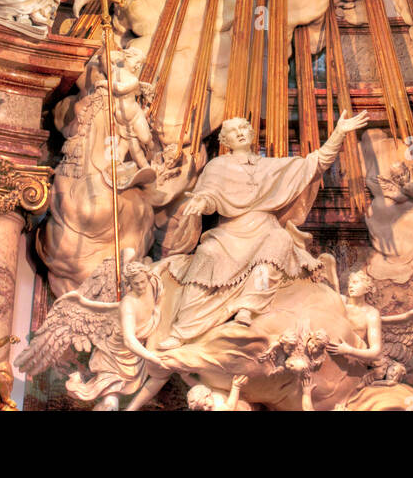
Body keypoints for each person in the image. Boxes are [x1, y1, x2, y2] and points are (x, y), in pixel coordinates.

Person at [156, 109, 368, 349]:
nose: (239, 133)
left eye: (243, 128)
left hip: (264, 228)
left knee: (279, 240)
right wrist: (201, 201)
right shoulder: (217, 166)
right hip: (230, 233)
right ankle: (184, 328)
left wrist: (339, 133)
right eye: (232, 132)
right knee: (208, 254)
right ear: (224, 141)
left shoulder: (271, 166)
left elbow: (314, 164)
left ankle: (249, 305)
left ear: (252, 133)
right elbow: (210, 193)